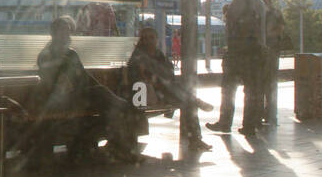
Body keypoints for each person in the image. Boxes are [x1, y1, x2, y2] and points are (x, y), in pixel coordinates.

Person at [33, 16, 143, 161]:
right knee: (109, 101)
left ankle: (122, 145)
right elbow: (52, 83)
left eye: (67, 32)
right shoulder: (47, 55)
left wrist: (99, 88)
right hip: (59, 100)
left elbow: (85, 77)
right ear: (53, 34)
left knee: (112, 109)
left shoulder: (71, 54)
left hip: (77, 97)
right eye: (62, 31)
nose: (66, 35)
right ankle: (123, 144)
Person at [126, 23, 212, 152]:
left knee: (187, 102)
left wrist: (159, 78)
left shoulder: (159, 55)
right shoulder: (139, 55)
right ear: (141, 41)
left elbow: (169, 72)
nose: (149, 41)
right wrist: (156, 79)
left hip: (163, 90)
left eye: (152, 38)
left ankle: (195, 139)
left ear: (156, 39)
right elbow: (138, 77)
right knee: (184, 97)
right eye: (146, 38)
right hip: (145, 94)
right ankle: (195, 101)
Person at [207, 0, 267, 136]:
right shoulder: (260, 3)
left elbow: (232, 22)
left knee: (228, 89)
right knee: (252, 90)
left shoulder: (241, 0)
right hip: (256, 51)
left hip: (239, 52)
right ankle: (250, 124)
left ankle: (225, 122)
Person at [260, 0, 286, 127]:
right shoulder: (264, 13)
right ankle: (266, 114)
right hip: (263, 51)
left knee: (269, 84)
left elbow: (280, 29)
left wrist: (266, 37)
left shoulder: (273, 13)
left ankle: (270, 114)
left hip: (270, 51)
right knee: (263, 84)